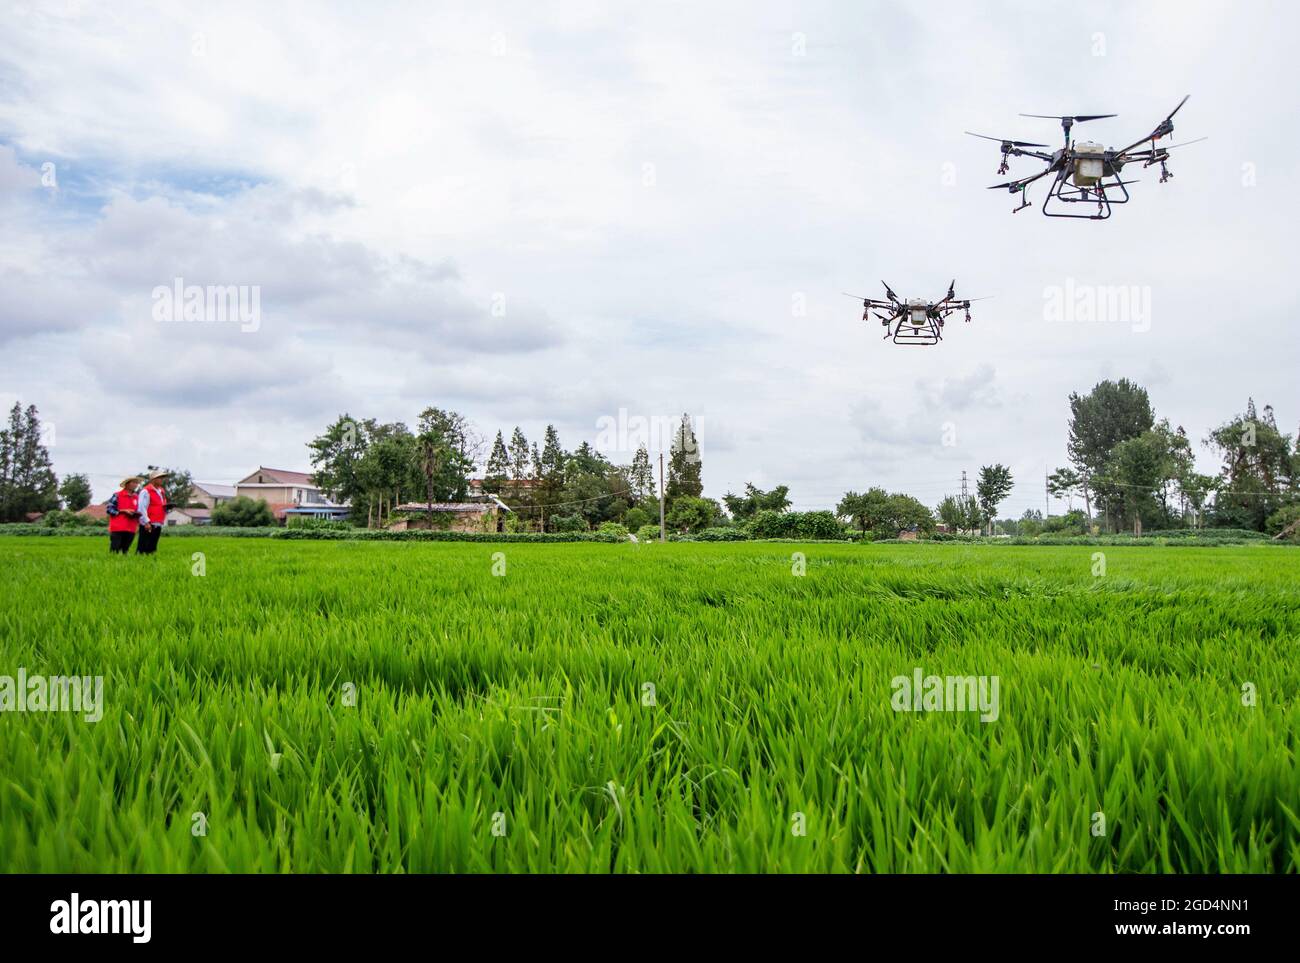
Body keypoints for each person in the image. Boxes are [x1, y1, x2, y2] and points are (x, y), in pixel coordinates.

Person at [136, 469, 170, 555]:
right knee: (143, 546)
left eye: (162, 478)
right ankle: (139, 563)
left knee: (152, 546)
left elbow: (161, 504)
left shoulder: (161, 491)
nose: (161, 480)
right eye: (159, 478)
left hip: (158, 522)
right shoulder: (146, 491)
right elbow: (141, 508)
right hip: (149, 523)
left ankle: (150, 563)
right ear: (153, 479)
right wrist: (146, 522)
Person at [106, 476, 143, 554]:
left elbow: (139, 510)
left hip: (131, 527)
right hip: (118, 527)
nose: (135, 485)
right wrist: (123, 511)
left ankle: (123, 564)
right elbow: (109, 509)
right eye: (133, 482)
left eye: (136, 483)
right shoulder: (117, 495)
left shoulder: (137, 497)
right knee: (114, 550)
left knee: (125, 550)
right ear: (127, 484)